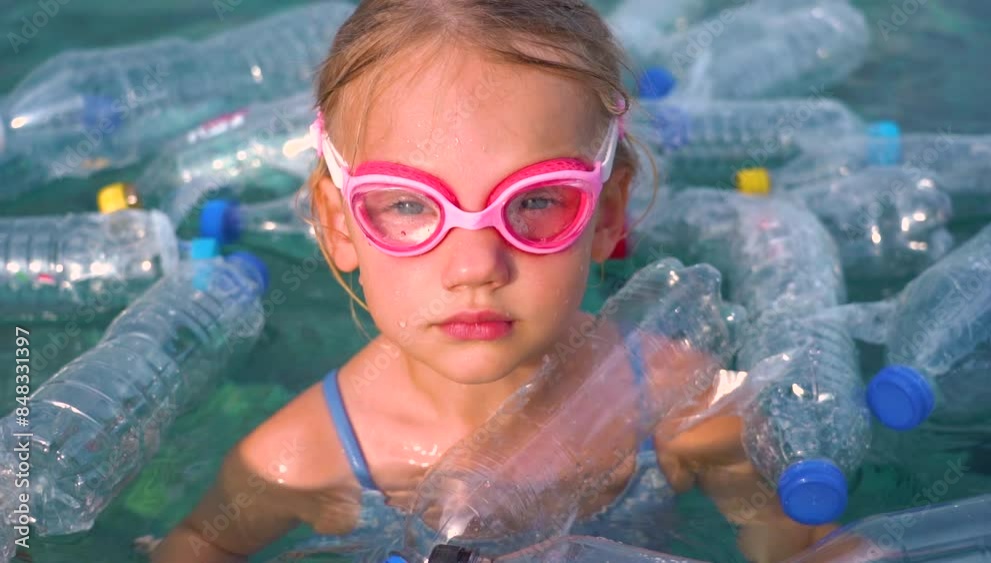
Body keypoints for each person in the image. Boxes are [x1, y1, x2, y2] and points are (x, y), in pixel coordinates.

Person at [149, 1, 835, 561]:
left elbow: (781, 528)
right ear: (337, 225)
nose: (476, 264)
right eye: (409, 206)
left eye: (535, 201)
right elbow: (201, 542)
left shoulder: (675, 405)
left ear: (608, 213)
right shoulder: (300, 457)